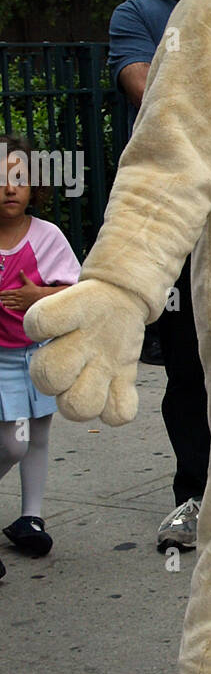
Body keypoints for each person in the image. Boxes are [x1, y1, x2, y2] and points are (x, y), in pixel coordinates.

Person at [108, 0, 211, 551]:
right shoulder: (136, 16)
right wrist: (204, 0)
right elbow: (155, 94)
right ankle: (195, 493)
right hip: (188, 221)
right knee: (190, 364)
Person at [0, 138, 81, 570]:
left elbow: (77, 292)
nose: (10, 188)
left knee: (38, 437)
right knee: (13, 443)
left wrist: (40, 296)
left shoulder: (47, 236)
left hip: (37, 354)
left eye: (19, 178)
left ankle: (30, 517)